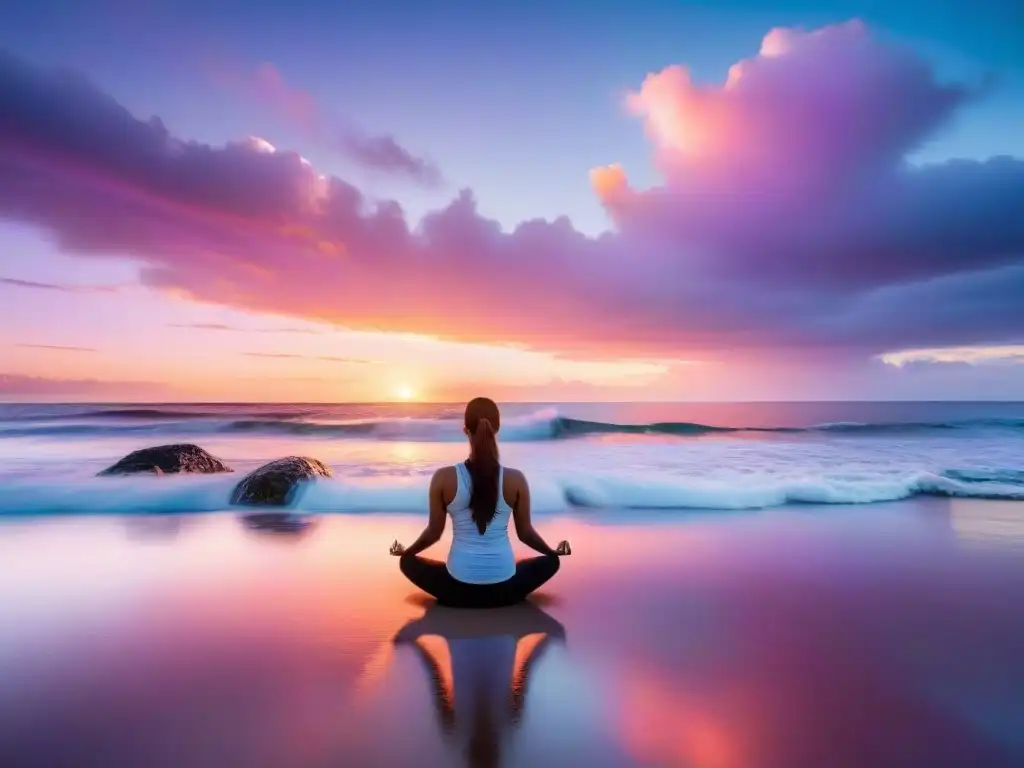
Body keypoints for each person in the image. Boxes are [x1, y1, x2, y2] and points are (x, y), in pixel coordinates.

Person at [390, 397, 570, 608]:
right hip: (505, 591)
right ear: (497, 428)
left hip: (456, 592)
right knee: (551, 561)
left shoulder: (443, 478)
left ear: (465, 429)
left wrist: (408, 552)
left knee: (407, 562)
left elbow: (434, 533)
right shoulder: (516, 479)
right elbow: (525, 533)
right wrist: (551, 551)